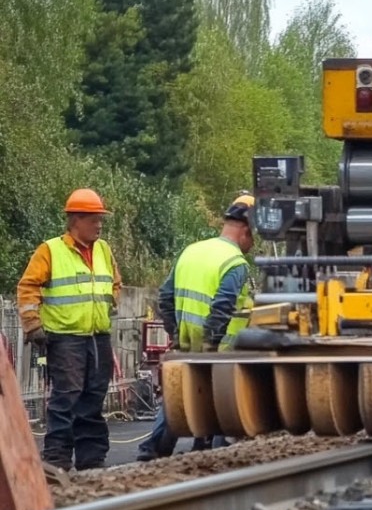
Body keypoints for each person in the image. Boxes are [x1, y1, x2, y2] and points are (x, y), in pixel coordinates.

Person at [138, 195, 256, 462]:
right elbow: (223, 307)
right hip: (219, 351)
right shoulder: (234, 263)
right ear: (246, 230)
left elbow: (165, 297)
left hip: (187, 344)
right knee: (223, 406)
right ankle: (215, 454)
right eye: (254, 237)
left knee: (180, 398)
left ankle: (153, 452)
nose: (253, 244)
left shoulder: (191, 251)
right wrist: (210, 344)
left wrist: (177, 334)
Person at [16, 189, 122, 470]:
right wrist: (33, 324)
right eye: (93, 220)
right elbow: (28, 287)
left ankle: (92, 460)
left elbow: (115, 282)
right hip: (65, 338)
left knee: (93, 398)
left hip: (97, 336)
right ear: (75, 219)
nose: (99, 225)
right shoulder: (50, 250)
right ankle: (57, 459)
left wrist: (111, 302)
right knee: (67, 398)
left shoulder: (103, 250)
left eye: (100, 219)